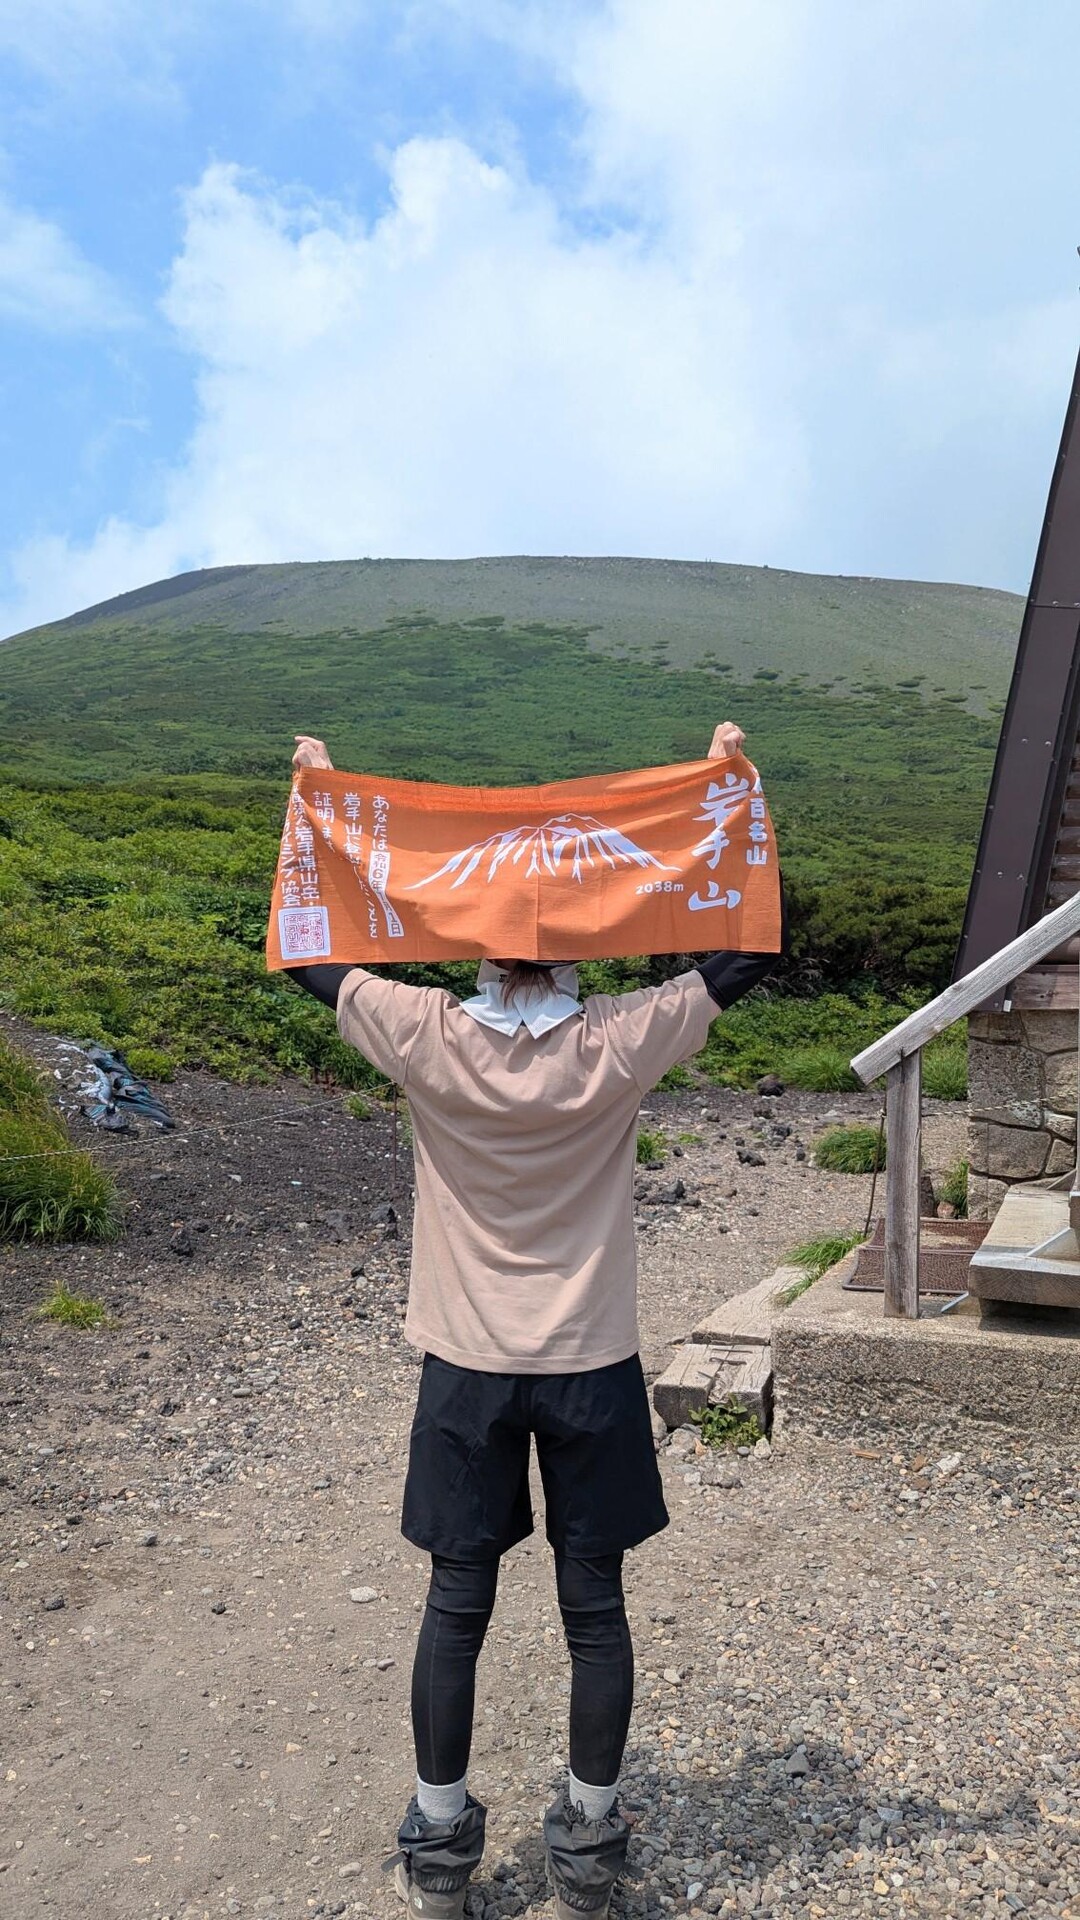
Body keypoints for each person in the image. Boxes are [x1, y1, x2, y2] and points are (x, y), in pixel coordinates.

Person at [284, 723, 789, 1920]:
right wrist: (732, 794)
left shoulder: (426, 1039)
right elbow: (745, 952)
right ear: (572, 956)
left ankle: (443, 1847)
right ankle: (591, 1846)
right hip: (591, 1366)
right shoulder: (616, 1047)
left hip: (464, 1365)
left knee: (458, 1606)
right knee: (594, 1609)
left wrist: (310, 805)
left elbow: (307, 956)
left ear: (475, 954)